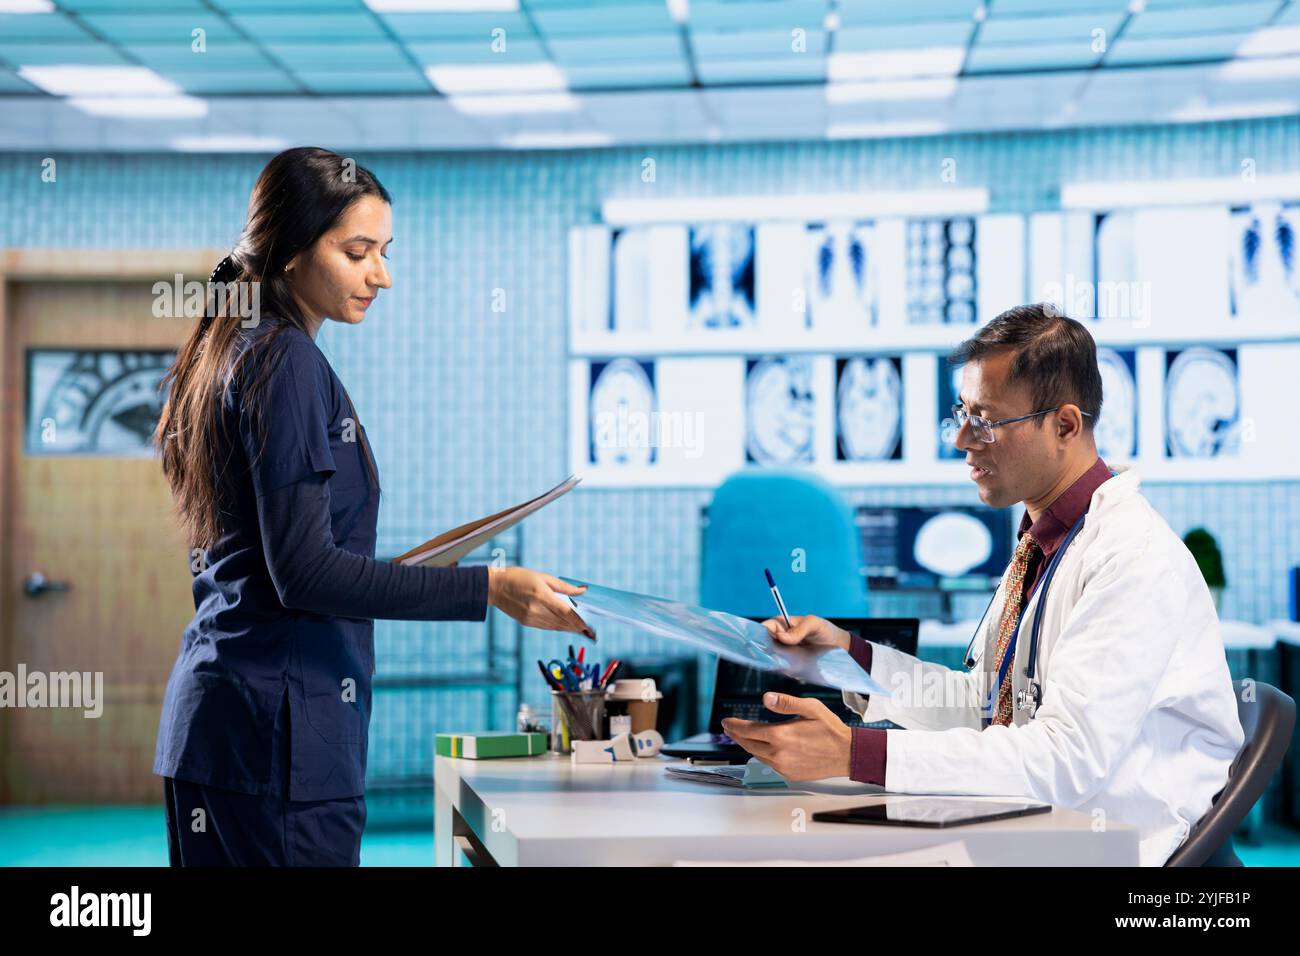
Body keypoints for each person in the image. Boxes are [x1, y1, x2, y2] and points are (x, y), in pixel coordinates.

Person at [152, 146, 591, 866]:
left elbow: (275, 559)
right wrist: (489, 587)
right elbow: (306, 576)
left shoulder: (230, 350)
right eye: (357, 252)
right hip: (278, 740)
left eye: (384, 252)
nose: (381, 275)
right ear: (291, 251)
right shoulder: (285, 362)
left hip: (220, 725)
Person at [723, 303, 1245, 867]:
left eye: (987, 420)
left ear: (1065, 425)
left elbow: (1063, 762)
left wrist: (854, 754)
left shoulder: (1133, 560)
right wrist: (850, 657)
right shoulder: (1046, 544)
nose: (962, 440)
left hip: (1117, 855)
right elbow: (988, 706)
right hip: (1043, 835)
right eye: (962, 413)